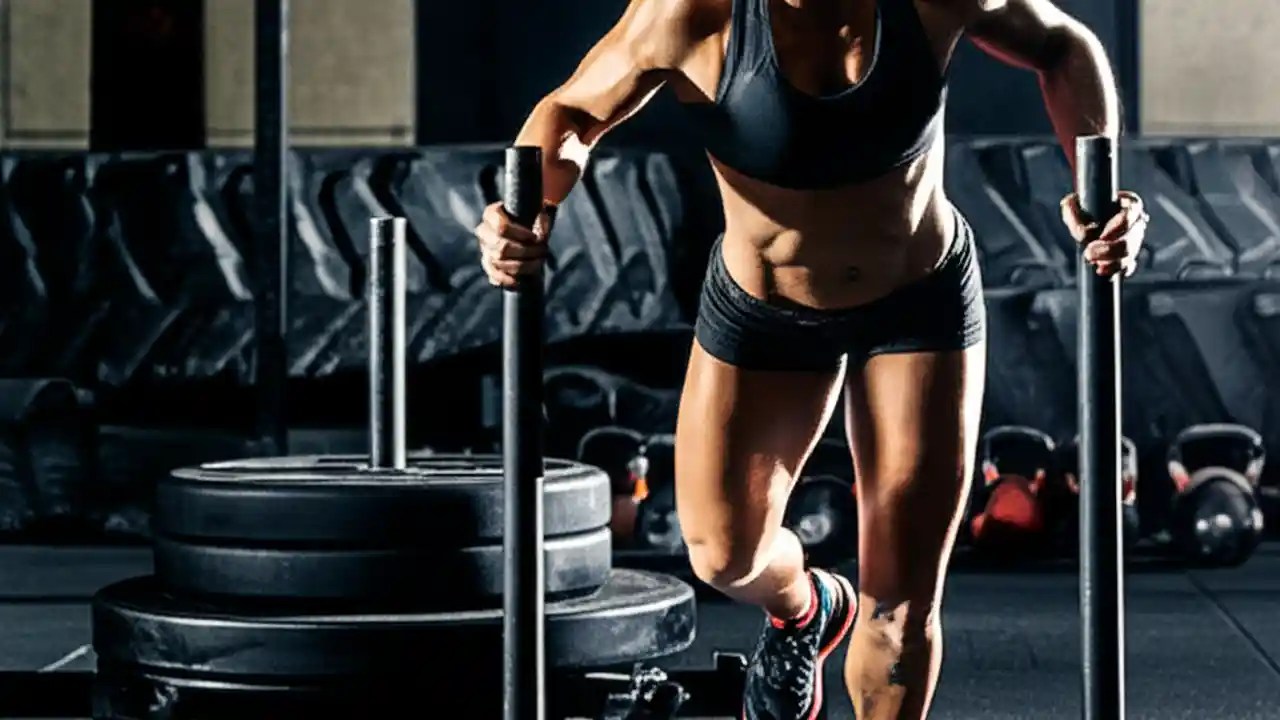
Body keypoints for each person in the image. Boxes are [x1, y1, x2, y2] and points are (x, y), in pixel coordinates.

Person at [473, 0, 1150, 717]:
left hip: (918, 300)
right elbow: (574, 113)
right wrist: (526, 211)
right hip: (765, 311)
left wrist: (1100, 193)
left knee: (899, 605)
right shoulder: (690, 16)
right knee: (723, 554)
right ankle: (808, 607)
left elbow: (1061, 45)